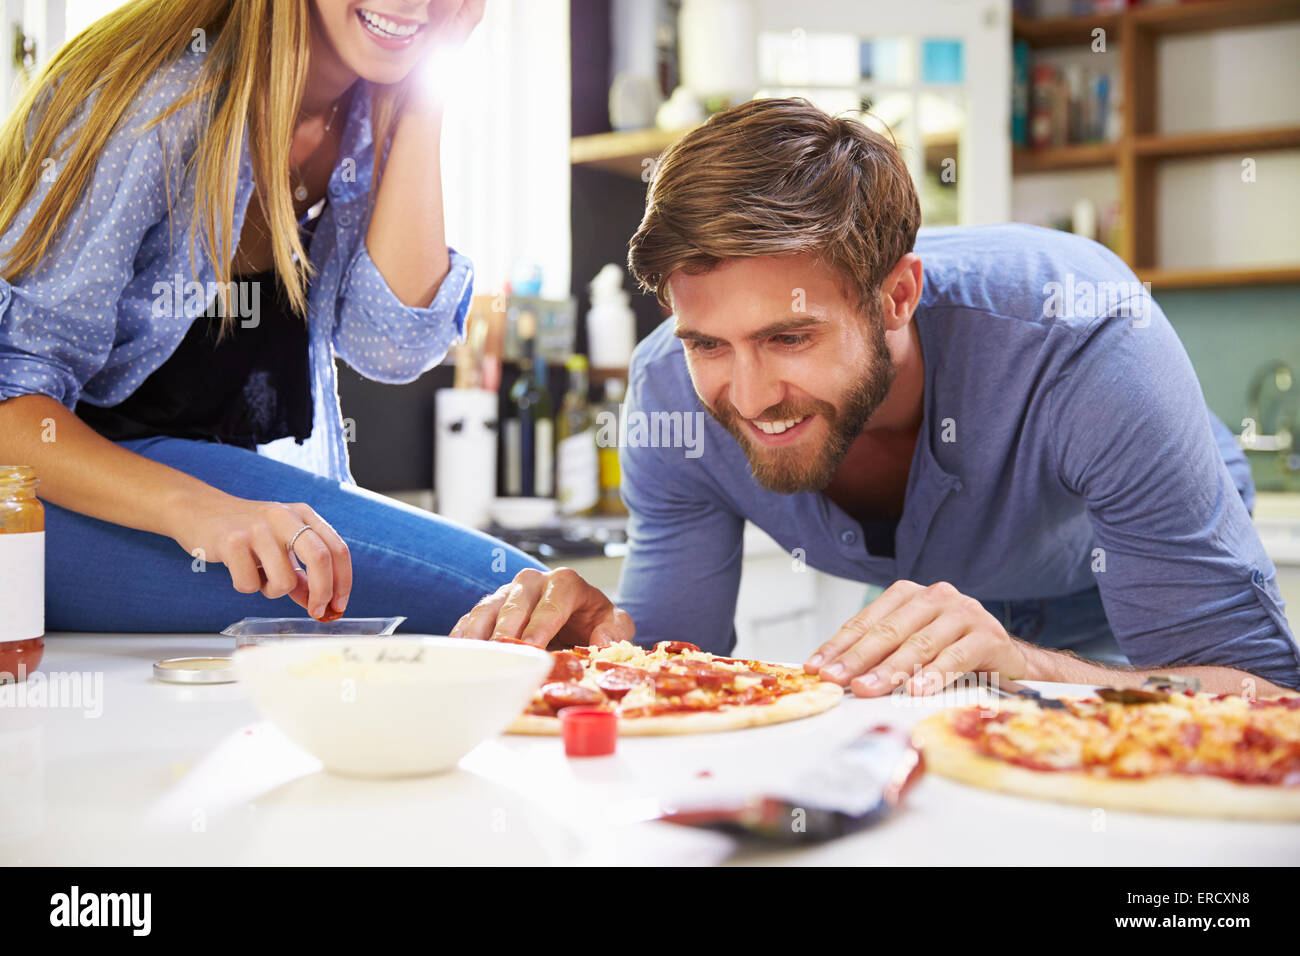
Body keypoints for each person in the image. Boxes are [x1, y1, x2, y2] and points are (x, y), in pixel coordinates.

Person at [451, 98, 1300, 696]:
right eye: (709, 342)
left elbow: (1262, 699)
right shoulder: (672, 400)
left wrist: (1032, 667)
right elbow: (679, 667)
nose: (748, 398)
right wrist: (596, 654)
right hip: (939, 608)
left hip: (1115, 609)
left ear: (896, 298)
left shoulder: (1086, 341)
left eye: (789, 338)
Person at [0, 0, 543, 632]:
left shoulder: (364, 112)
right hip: (45, 511)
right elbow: (10, 412)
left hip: (204, 502)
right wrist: (205, 511)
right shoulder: (161, 100)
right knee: (511, 604)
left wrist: (427, 87)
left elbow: (391, 345)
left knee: (517, 608)